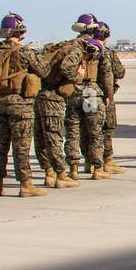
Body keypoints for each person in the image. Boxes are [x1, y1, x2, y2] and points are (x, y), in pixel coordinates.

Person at [0, 13, 53, 198]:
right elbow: (44, 71)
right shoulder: (25, 52)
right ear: (20, 30)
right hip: (21, 105)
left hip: (0, 104)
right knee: (21, 146)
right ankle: (26, 185)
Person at [33, 26, 88, 189]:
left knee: (41, 136)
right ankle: (61, 175)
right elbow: (66, 68)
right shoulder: (76, 50)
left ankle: (48, 172)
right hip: (53, 97)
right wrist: (78, 77)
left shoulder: (58, 48)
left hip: (40, 95)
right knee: (54, 136)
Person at [64, 14, 109, 179]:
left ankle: (73, 169)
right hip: (90, 93)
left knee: (73, 132)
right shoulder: (96, 45)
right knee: (95, 131)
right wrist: (108, 94)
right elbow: (106, 73)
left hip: (72, 92)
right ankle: (97, 168)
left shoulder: (69, 45)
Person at [92, 22, 128, 174]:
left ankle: (89, 162)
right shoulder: (107, 53)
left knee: (89, 129)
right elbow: (119, 73)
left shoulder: (84, 50)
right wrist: (109, 95)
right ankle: (107, 161)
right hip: (102, 96)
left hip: (86, 95)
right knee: (107, 128)